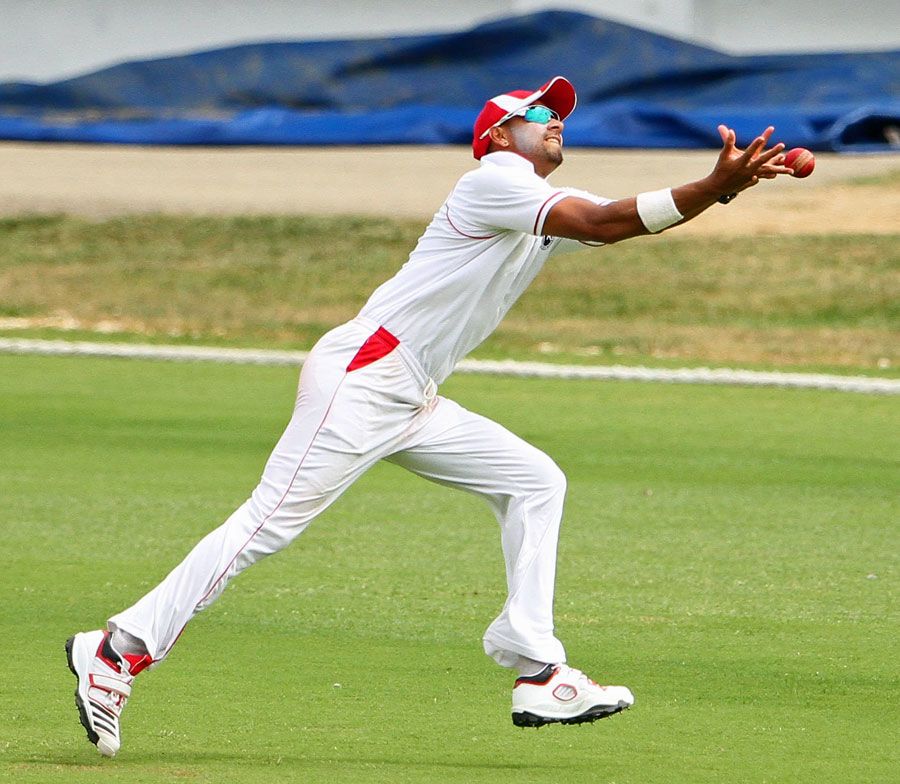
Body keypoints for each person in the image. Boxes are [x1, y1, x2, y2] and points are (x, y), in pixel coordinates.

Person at [65, 75, 790, 757]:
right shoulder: (494, 181)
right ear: (499, 136)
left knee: (535, 481)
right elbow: (604, 223)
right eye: (540, 112)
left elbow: (624, 222)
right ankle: (117, 650)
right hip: (366, 375)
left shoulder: (537, 201)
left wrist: (723, 188)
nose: (556, 120)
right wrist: (713, 185)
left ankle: (538, 671)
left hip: (411, 394)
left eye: (560, 113)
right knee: (266, 524)